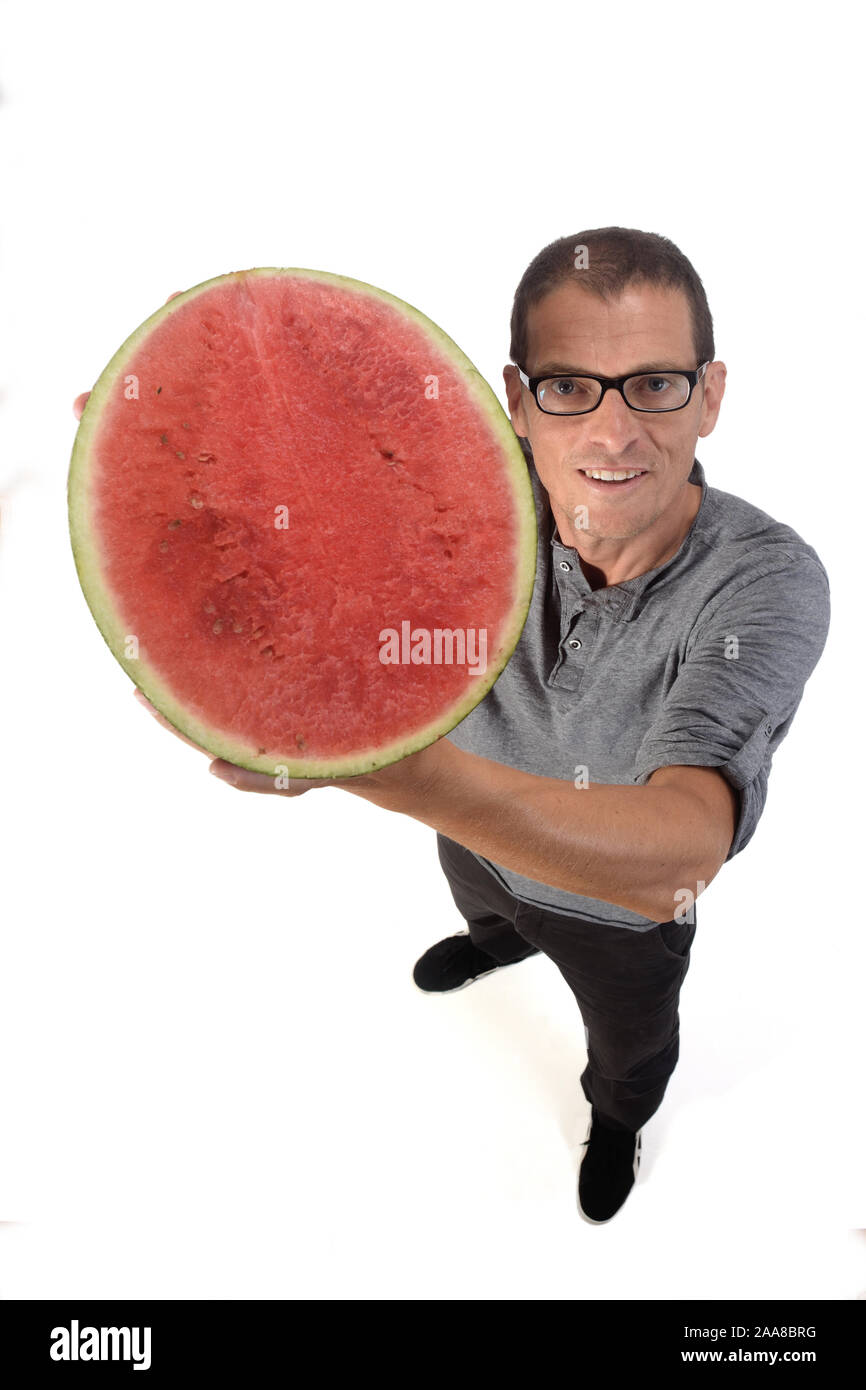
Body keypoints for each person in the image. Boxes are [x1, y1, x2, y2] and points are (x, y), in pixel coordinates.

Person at [73, 228, 832, 1224]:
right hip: (473, 840)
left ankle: (615, 1122)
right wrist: (184, 422)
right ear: (517, 399)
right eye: (569, 388)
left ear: (710, 396)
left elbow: (679, 849)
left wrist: (407, 777)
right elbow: (307, 486)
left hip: (622, 918)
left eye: (654, 385)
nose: (612, 435)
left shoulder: (766, 582)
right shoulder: (464, 486)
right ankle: (494, 942)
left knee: (629, 1045)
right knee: (486, 907)